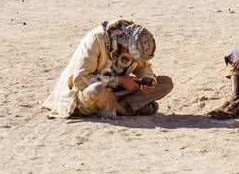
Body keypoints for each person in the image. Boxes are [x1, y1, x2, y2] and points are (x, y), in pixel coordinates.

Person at [43, 19, 173, 118]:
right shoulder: (96, 40)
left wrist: (148, 80)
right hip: (84, 96)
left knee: (166, 83)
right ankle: (125, 109)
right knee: (97, 89)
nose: (134, 61)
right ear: (124, 45)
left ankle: (116, 107)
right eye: (133, 57)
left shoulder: (135, 44)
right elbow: (80, 81)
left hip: (116, 94)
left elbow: (143, 68)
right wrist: (120, 81)